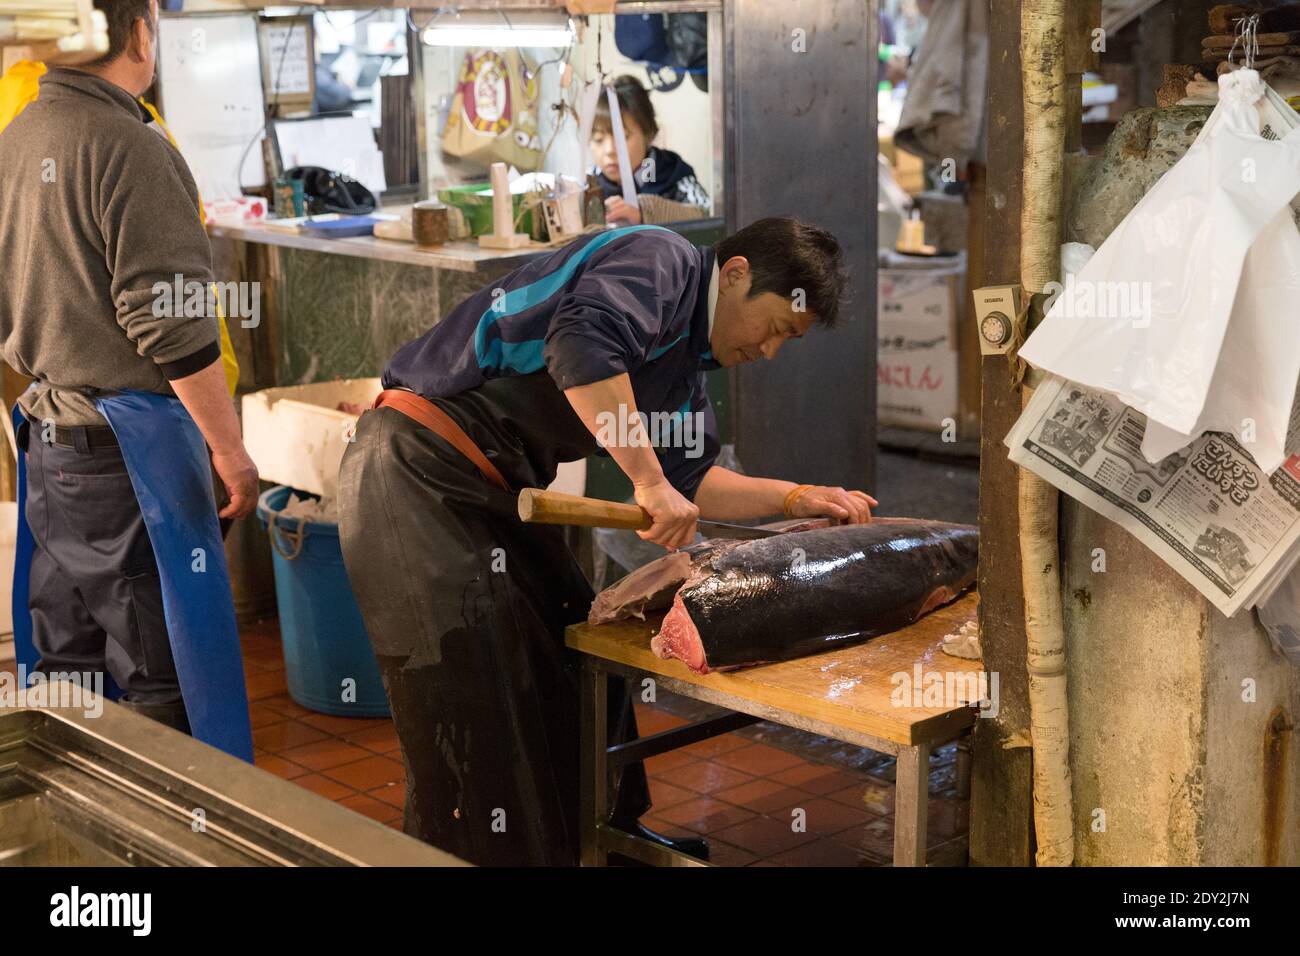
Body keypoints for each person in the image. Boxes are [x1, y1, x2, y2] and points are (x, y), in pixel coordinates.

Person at [338, 217, 877, 866]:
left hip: (495, 494)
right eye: (777, 329)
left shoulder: (684, 376)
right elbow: (584, 341)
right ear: (735, 275)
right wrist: (647, 481)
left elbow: (693, 481)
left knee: (586, 648)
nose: (768, 352)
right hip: (414, 470)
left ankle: (610, 837)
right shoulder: (663, 261)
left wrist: (795, 497)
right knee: (477, 705)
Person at [0, 0, 258, 758]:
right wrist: (230, 450)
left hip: (47, 448)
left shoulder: (17, 139)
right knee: (163, 675)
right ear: (140, 31)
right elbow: (172, 326)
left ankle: (80, 852)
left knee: (69, 668)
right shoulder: (132, 146)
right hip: (125, 458)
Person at [589, 74, 711, 226]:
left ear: (648, 134)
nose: (609, 151)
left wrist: (645, 213)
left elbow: (708, 215)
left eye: (622, 138)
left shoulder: (673, 176)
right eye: (598, 139)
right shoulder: (588, 184)